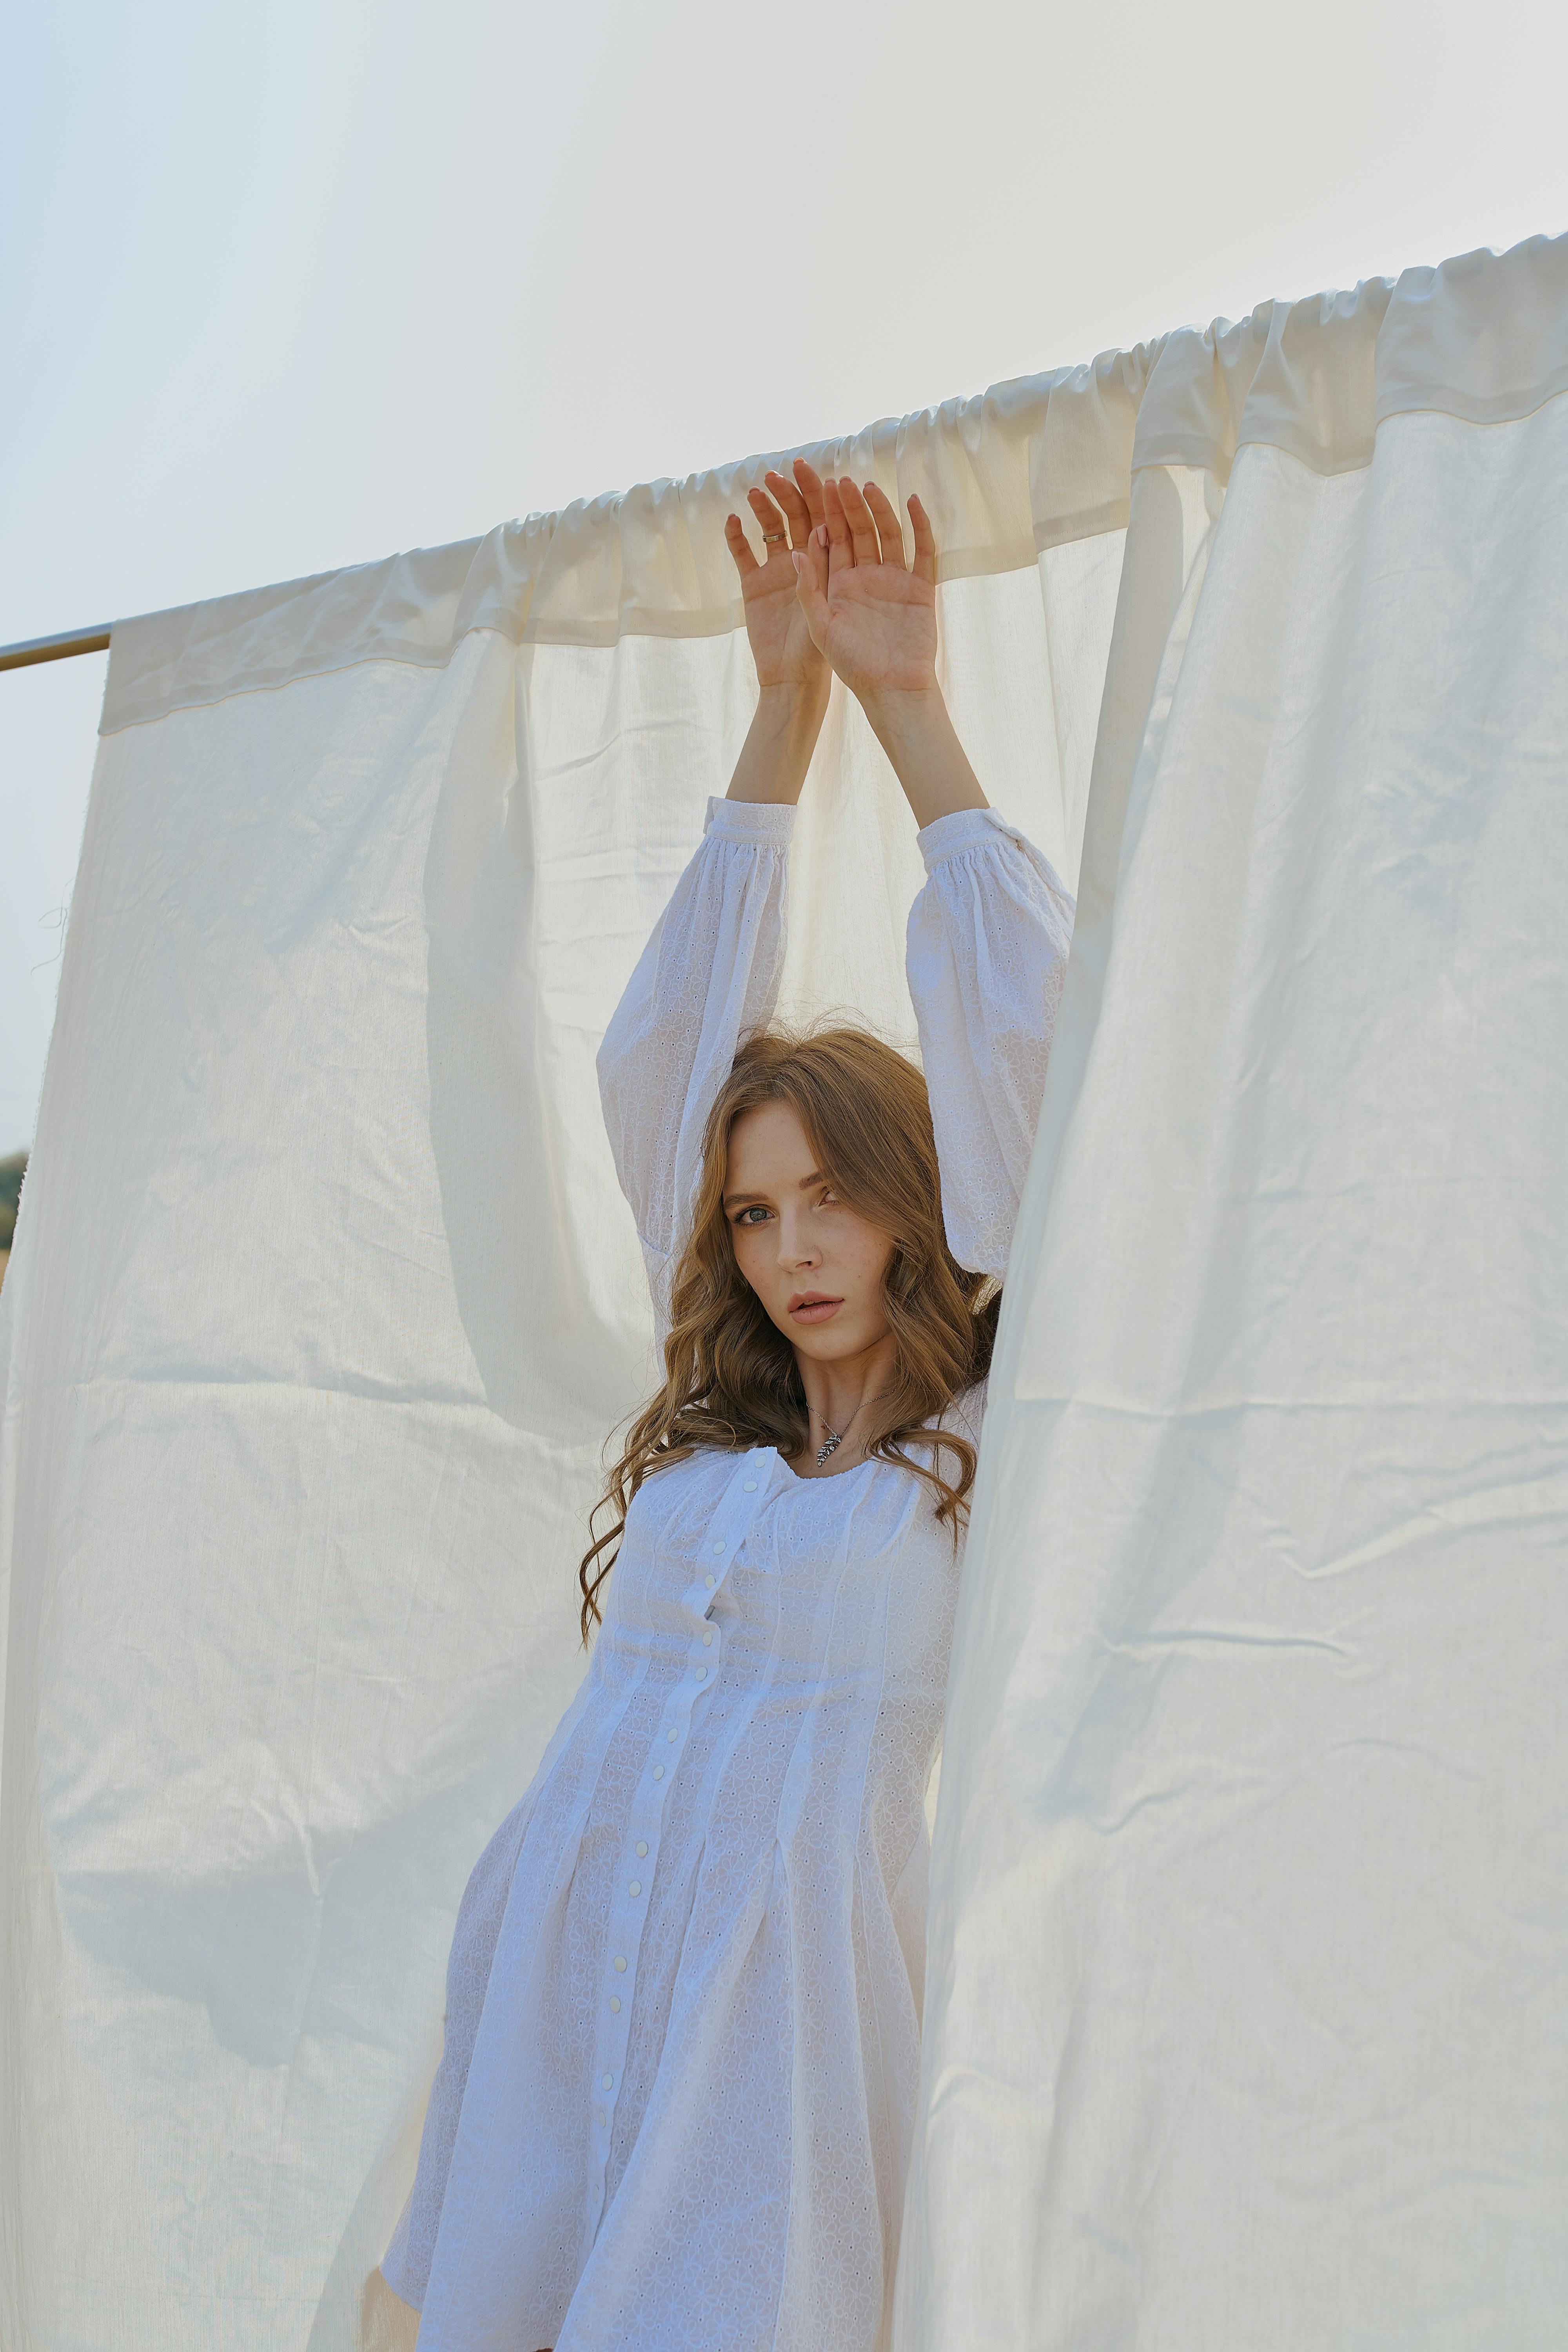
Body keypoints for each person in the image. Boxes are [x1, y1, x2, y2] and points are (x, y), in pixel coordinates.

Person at [380, 459, 1076, 2351]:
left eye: (838, 1194)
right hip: (565, 1955)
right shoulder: (723, 1425)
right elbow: (664, 1066)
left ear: (919, 1202)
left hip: (770, 2038)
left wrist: (904, 714)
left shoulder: (989, 1439)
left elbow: (1057, 1071)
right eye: (757, 1209)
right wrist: (774, 716)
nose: (790, 1246)